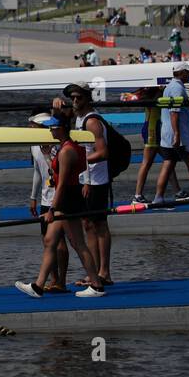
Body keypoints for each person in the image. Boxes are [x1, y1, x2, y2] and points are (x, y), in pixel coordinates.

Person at [15, 115, 105, 298]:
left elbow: (61, 183)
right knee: (50, 240)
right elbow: (54, 174)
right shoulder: (66, 148)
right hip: (67, 198)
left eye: (53, 128)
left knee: (78, 243)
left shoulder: (66, 151)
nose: (50, 131)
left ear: (62, 128)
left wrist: (51, 209)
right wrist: (48, 156)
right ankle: (38, 286)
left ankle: (96, 286)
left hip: (67, 200)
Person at [61, 83, 117, 286]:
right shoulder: (78, 118)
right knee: (88, 225)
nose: (75, 101)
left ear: (88, 98)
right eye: (72, 98)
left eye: (79, 98)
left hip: (97, 180)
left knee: (99, 225)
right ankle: (94, 272)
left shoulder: (92, 121)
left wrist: (78, 162)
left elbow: (103, 152)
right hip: (86, 179)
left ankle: (104, 272)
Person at [153, 62, 189, 205]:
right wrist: (178, 134)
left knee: (168, 164)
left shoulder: (169, 87)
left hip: (168, 132)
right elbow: (174, 113)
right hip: (176, 135)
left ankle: (158, 197)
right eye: (188, 73)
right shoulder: (177, 88)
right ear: (182, 73)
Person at [27, 113, 68, 292]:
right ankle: (55, 279)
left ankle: (62, 281)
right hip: (44, 198)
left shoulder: (58, 146)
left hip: (58, 197)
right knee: (47, 241)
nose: (30, 129)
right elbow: (37, 171)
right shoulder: (34, 145)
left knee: (59, 242)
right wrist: (33, 197)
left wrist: (47, 156)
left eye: (33, 126)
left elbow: (56, 172)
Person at [131, 87, 180, 204]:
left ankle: (178, 191)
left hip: (156, 128)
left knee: (168, 160)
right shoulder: (152, 92)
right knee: (147, 163)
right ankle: (137, 195)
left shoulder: (155, 91)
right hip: (152, 130)